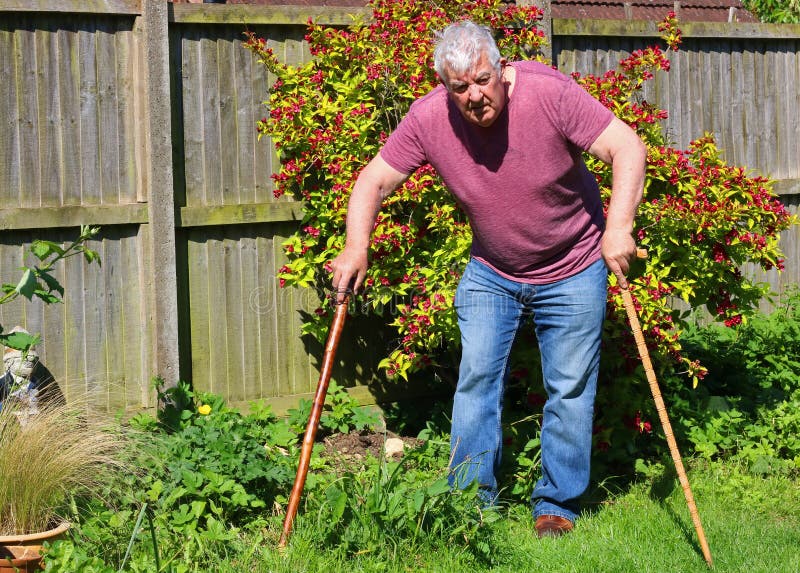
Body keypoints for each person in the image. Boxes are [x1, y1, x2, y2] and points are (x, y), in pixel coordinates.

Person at [330, 20, 646, 538]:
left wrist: (618, 228)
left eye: (483, 79)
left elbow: (627, 148)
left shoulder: (548, 93)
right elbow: (374, 181)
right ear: (445, 87)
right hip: (493, 271)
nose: (475, 96)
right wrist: (355, 246)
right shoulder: (429, 118)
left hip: (574, 263)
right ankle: (469, 504)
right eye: (461, 87)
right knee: (476, 380)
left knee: (568, 389)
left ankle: (556, 506)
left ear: (502, 69)